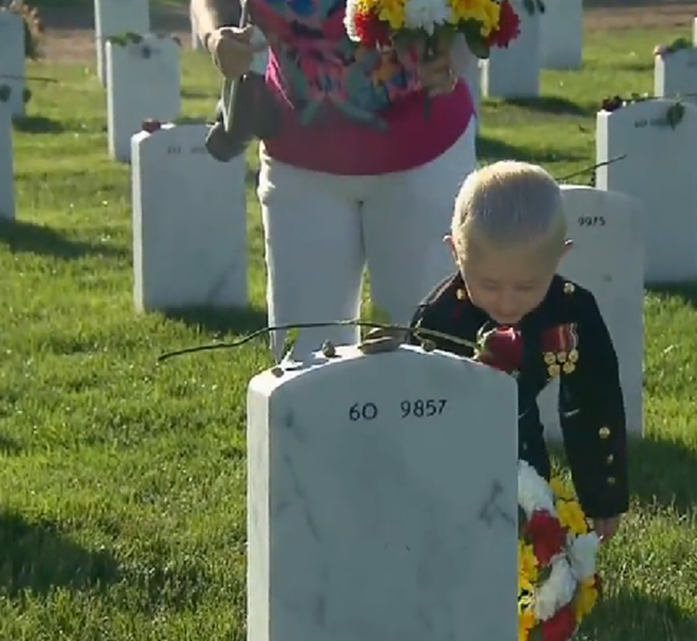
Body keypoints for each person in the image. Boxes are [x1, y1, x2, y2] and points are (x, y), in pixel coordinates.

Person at [190, 0, 479, 358]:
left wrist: (459, 50)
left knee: (428, 350)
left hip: (424, 150)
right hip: (299, 156)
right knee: (303, 357)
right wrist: (217, 36)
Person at [408, 161, 629, 542]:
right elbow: (415, 419)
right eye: (489, 285)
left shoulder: (571, 311)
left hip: (525, 444)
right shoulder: (439, 320)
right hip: (451, 454)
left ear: (559, 257)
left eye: (527, 286)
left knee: (530, 536)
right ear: (456, 252)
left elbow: (593, 401)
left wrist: (602, 496)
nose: (507, 303)